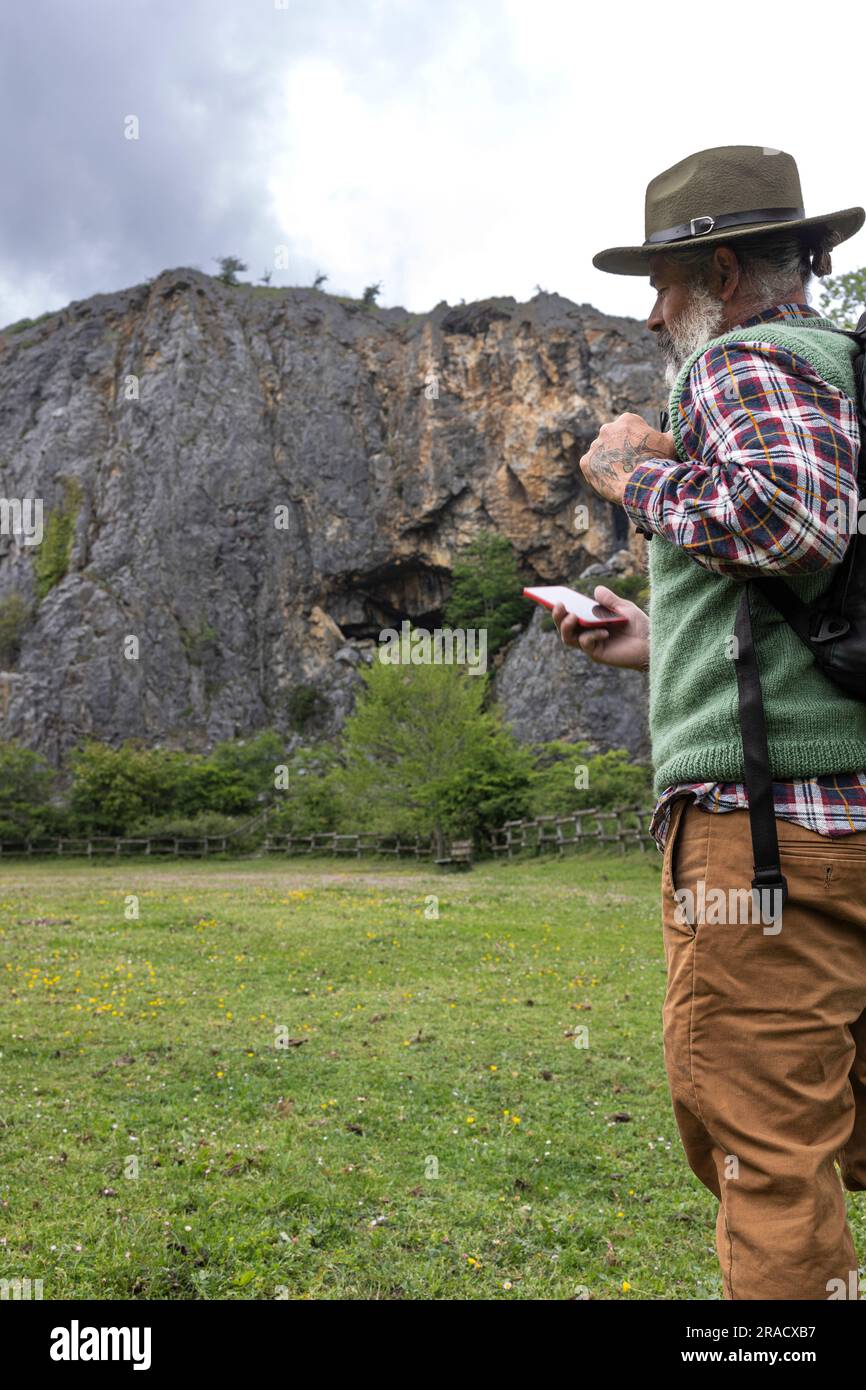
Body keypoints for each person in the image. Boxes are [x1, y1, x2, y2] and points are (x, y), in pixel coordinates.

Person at [553, 145, 866, 1301]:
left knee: (765, 1149)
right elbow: (824, 594)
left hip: (769, 837)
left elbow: (790, 525)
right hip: (838, 808)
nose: (649, 315)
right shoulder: (844, 371)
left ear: (721, 272)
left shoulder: (740, 361)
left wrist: (629, 474)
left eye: (663, 282)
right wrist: (654, 644)